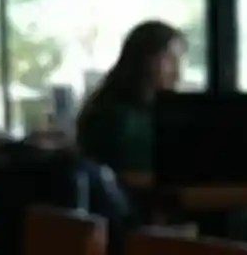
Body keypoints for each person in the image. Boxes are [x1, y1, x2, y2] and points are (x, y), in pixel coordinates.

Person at [76, 20, 185, 173]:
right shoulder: (114, 116)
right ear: (145, 59)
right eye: (169, 59)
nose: (177, 72)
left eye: (178, 60)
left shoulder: (156, 111)